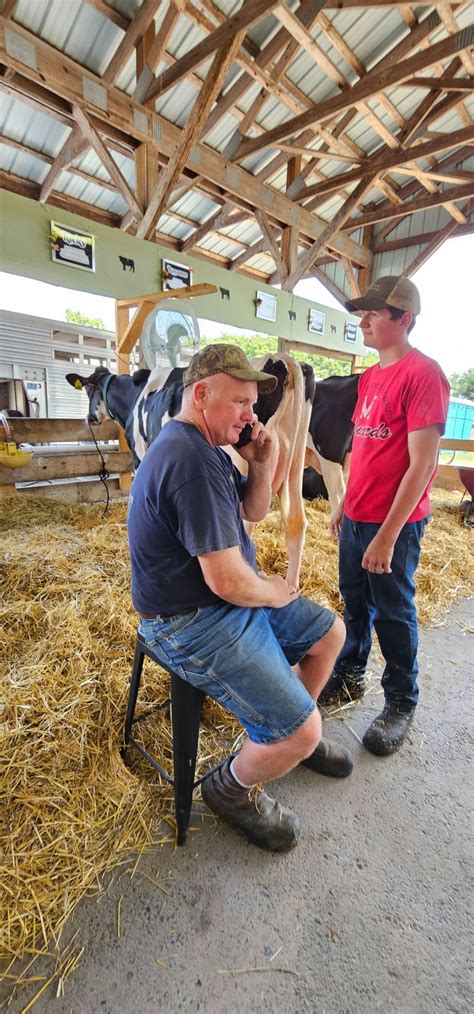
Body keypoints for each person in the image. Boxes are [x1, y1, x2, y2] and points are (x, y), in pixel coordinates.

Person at [127, 344, 352, 853]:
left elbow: (252, 512)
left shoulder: (203, 446)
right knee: (303, 731)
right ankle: (229, 786)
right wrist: (271, 592)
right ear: (201, 395)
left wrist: (261, 461)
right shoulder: (190, 460)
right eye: (241, 403)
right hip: (188, 619)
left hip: (219, 602)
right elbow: (227, 581)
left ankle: (286, 730)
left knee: (329, 634)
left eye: (254, 404)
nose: (252, 415)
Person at [320, 276, 450, 756]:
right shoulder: (371, 377)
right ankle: (352, 673)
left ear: (405, 320)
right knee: (354, 601)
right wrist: (343, 500)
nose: (364, 320)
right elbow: (360, 444)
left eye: (375, 312)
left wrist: (387, 536)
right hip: (357, 516)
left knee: (394, 613)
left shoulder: (424, 375)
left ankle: (400, 700)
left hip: (392, 525)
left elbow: (424, 465)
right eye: (363, 312)